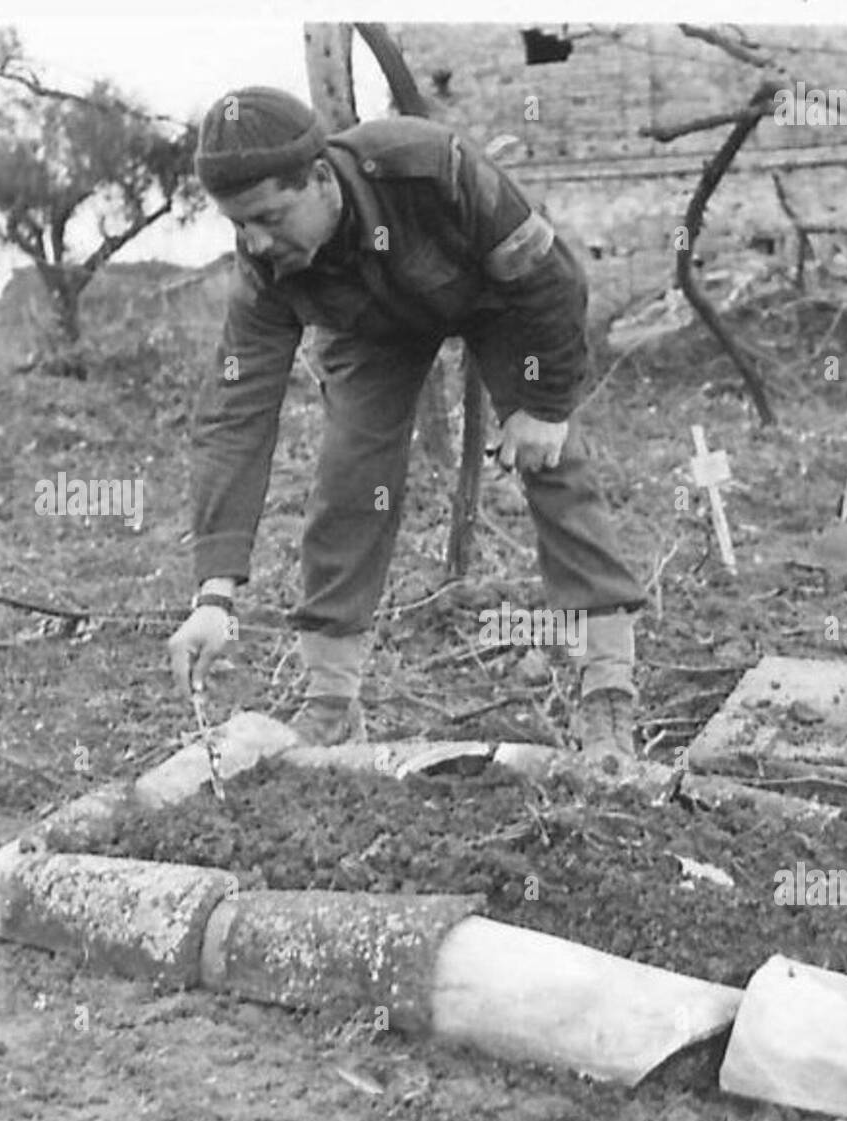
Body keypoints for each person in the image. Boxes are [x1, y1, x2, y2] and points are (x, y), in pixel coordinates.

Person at [167, 86, 644, 764]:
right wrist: (215, 589)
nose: (255, 241)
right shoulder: (266, 268)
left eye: (269, 216)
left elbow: (550, 278)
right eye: (239, 225)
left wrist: (545, 404)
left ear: (323, 179)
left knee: (554, 464)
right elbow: (233, 415)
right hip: (373, 330)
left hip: (500, 301)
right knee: (350, 476)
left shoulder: (429, 166)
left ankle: (608, 694)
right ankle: (330, 703)